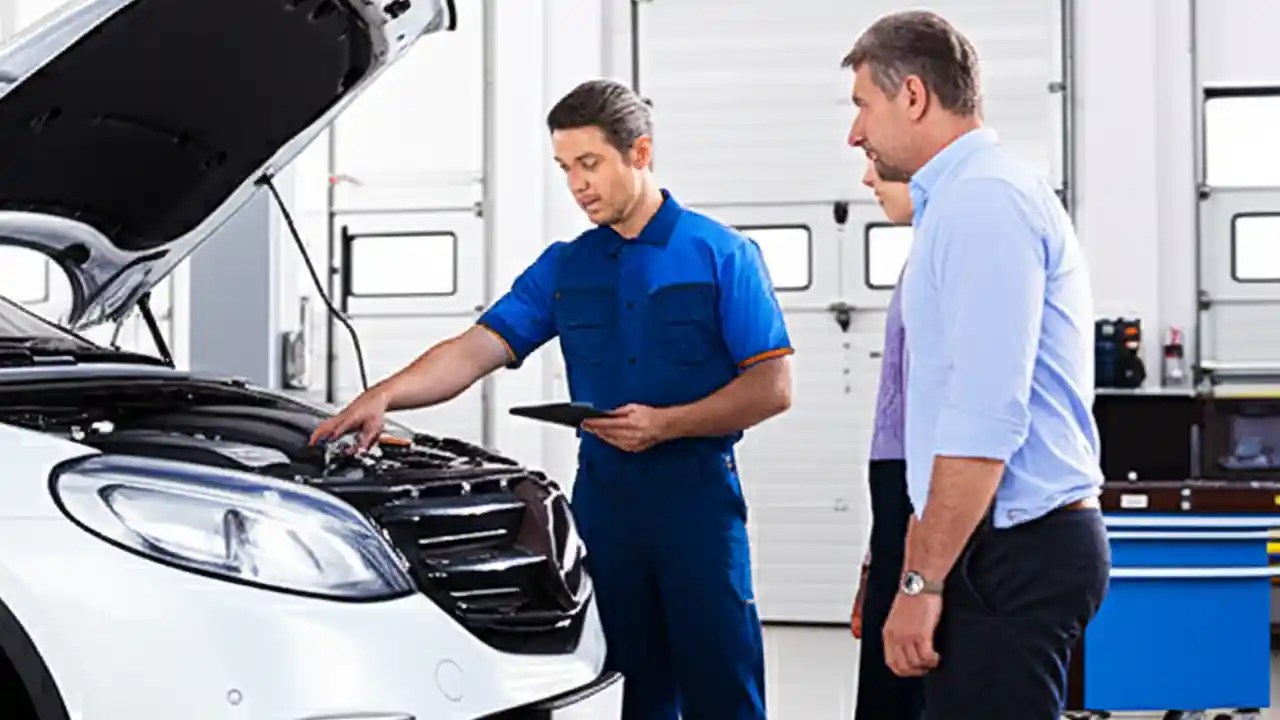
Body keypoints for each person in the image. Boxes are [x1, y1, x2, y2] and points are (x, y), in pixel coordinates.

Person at [310, 78, 793, 720]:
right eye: (566, 168)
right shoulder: (566, 266)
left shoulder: (720, 254)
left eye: (589, 164)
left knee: (722, 681)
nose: (577, 185)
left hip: (697, 506)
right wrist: (384, 395)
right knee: (628, 683)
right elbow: (474, 349)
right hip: (604, 504)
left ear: (640, 154)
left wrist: (667, 425)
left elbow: (773, 387)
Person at [842, 10, 1110, 719]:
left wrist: (919, 585)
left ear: (914, 97)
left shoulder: (984, 200)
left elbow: (985, 415)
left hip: (1012, 548)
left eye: (863, 106)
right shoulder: (958, 204)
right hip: (989, 541)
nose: (856, 134)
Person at [850, 156, 925, 720]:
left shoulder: (950, 256)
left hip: (921, 512)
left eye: (878, 164)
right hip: (898, 506)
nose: (867, 179)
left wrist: (918, 584)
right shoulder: (918, 260)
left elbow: (952, 441)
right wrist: (877, 563)